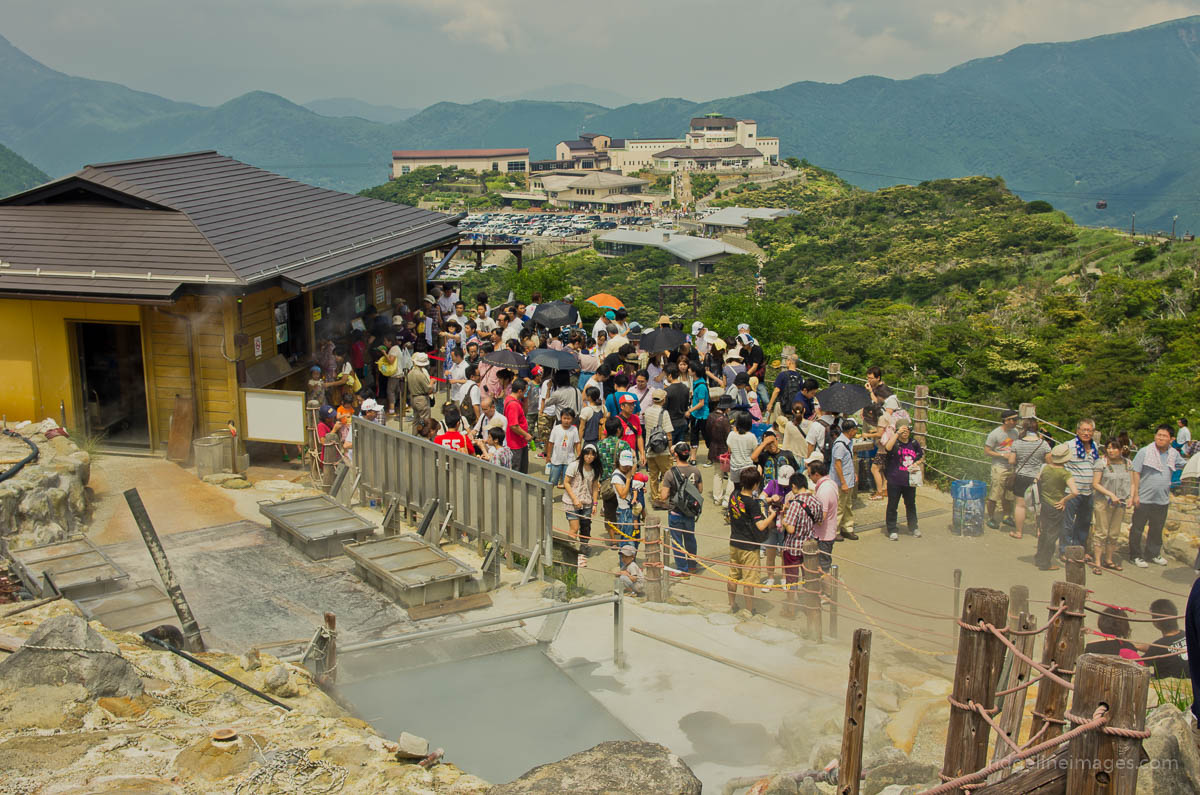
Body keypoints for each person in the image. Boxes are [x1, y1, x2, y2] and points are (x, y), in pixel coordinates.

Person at [1129, 423, 1186, 567]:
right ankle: (1135, 555)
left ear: (1171, 439)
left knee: (1157, 528)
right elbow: (1135, 471)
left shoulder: (1173, 454)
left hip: (1162, 499)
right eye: (1158, 435)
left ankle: (1152, 553)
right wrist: (1135, 494)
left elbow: (1182, 465)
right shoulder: (1145, 451)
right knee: (1137, 527)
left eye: (1164, 436)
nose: (1160, 438)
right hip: (1144, 497)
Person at [727, 468, 776, 615]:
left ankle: (732, 604)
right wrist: (772, 516)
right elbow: (760, 526)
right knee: (749, 581)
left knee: (733, 576)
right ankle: (749, 609)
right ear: (755, 484)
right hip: (749, 545)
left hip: (734, 541)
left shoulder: (734, 496)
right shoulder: (752, 503)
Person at [778, 470, 823, 619]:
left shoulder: (795, 504)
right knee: (809, 578)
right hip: (809, 546)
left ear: (794, 486)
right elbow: (819, 520)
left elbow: (790, 529)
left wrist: (784, 520)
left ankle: (791, 610)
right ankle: (810, 607)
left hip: (793, 547)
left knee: (792, 580)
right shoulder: (816, 501)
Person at [661, 441, 703, 577]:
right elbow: (700, 490)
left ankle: (682, 569)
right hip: (690, 512)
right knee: (690, 538)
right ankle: (692, 566)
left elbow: (663, 496)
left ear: (676, 455)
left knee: (677, 542)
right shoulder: (696, 471)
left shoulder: (670, 473)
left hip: (676, 512)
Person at [1007, 418, 1052, 540]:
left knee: (1020, 505)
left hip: (1021, 476)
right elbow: (1049, 461)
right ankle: (1039, 531)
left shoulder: (1017, 443)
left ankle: (1019, 532)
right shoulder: (1043, 444)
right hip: (1037, 478)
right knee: (1038, 505)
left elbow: (1011, 460)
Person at [1091, 438, 1132, 573]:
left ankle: (1109, 559)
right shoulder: (1101, 463)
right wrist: (1110, 494)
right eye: (1109, 447)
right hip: (1103, 502)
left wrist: (1131, 496)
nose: (1111, 450)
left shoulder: (1127, 463)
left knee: (1114, 533)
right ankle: (1097, 562)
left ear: (1121, 449)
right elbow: (1096, 483)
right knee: (1101, 531)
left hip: (1120, 502)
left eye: (1114, 448)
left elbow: (1131, 482)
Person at [1034, 443, 1076, 571]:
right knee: (1052, 535)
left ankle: (1039, 558)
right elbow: (1075, 492)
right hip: (1056, 506)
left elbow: (1036, 481)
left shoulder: (1045, 468)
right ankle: (1045, 563)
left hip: (1044, 504)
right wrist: (1064, 500)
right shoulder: (1065, 473)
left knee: (1044, 532)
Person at [1062, 418, 1100, 557]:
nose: (1086, 433)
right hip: (1072, 492)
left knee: (1084, 523)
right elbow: (1056, 459)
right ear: (1077, 431)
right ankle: (1064, 550)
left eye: (1089, 430)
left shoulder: (1094, 446)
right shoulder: (1069, 445)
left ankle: (1079, 550)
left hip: (1088, 491)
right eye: (1083, 430)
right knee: (1067, 523)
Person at [882, 416, 924, 540]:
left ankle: (913, 527)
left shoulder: (914, 443)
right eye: (903, 431)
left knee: (911, 504)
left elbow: (921, 457)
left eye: (907, 431)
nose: (905, 433)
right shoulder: (895, 442)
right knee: (892, 505)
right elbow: (887, 448)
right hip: (894, 479)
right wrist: (897, 433)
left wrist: (916, 464)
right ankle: (892, 529)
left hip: (909, 480)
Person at [598, 416, 633, 544]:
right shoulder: (624, 445)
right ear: (619, 430)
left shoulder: (599, 445)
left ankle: (613, 539)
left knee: (609, 512)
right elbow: (629, 465)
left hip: (606, 484)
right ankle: (626, 536)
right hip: (622, 482)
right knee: (625, 509)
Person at [564, 443, 602, 565]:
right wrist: (574, 499)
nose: (589, 457)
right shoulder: (574, 466)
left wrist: (595, 503)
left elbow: (595, 486)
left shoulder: (595, 469)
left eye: (592, 454)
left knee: (586, 528)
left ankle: (582, 551)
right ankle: (571, 552)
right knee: (574, 528)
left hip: (587, 502)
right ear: (583, 454)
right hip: (571, 502)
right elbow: (566, 483)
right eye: (587, 454)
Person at [985, 409, 1020, 529]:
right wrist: (1002, 455)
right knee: (995, 493)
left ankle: (1006, 516)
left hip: (1011, 467)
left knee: (1008, 494)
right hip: (999, 467)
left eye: (1016, 419)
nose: (1016, 422)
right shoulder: (994, 434)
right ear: (1006, 420)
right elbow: (987, 451)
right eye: (1014, 419)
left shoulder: (1015, 432)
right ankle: (990, 517)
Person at [1136, 599, 1188, 679]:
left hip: (1169, 684)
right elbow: (1166, 647)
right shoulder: (1185, 635)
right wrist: (1137, 646)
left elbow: (1138, 667)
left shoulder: (1158, 647)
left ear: (1156, 621)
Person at [806, 452, 839, 575]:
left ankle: (826, 592)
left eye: (810, 475)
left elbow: (821, 518)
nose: (809, 477)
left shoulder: (824, 490)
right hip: (827, 533)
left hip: (823, 537)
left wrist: (807, 512)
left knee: (822, 568)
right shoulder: (830, 484)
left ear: (817, 474)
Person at [642, 389, 675, 508]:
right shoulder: (664, 413)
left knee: (653, 476)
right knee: (666, 474)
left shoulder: (647, 411)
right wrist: (671, 449)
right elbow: (669, 433)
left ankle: (655, 498)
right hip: (663, 449)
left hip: (650, 448)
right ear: (663, 399)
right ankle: (662, 498)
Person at [830, 418, 860, 541]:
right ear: (851, 430)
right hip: (841, 481)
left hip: (849, 478)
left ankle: (847, 528)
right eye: (855, 429)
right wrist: (843, 482)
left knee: (848, 505)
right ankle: (835, 530)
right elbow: (838, 464)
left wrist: (854, 474)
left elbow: (848, 461)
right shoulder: (840, 445)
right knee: (840, 506)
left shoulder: (849, 442)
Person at [723, 412, 759, 513]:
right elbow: (755, 453)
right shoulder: (751, 437)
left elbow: (729, 449)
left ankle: (733, 508)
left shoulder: (731, 435)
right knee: (749, 490)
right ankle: (748, 509)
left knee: (737, 489)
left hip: (735, 467)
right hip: (747, 467)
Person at [707, 395, 733, 503]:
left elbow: (707, 433)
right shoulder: (725, 420)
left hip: (713, 448)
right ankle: (727, 498)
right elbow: (729, 438)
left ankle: (717, 497)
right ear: (726, 407)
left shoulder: (710, 416)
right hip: (725, 450)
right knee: (731, 474)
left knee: (717, 474)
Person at [504, 379, 533, 474]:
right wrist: (526, 435)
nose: (526, 393)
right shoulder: (513, 404)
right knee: (518, 470)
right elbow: (514, 426)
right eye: (525, 391)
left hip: (520, 442)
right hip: (515, 444)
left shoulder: (514, 401)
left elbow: (524, 413)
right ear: (520, 391)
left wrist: (525, 399)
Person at [765, 355, 804, 424]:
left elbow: (777, 390)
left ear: (789, 362)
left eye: (786, 360)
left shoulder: (782, 375)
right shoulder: (800, 377)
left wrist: (770, 403)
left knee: (778, 425)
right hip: (793, 407)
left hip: (781, 404)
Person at [611, 449, 638, 548]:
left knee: (633, 538)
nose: (627, 467)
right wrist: (628, 480)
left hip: (631, 508)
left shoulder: (628, 471)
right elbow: (622, 495)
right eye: (624, 465)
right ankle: (625, 562)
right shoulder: (616, 476)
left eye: (628, 465)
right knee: (627, 539)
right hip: (624, 510)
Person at [548, 409, 580, 487]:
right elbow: (550, 443)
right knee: (552, 480)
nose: (566, 421)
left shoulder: (574, 429)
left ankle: (568, 497)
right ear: (561, 418)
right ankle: (547, 496)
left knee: (568, 481)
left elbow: (577, 443)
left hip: (569, 460)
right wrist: (548, 456)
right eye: (564, 418)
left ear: (572, 419)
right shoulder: (556, 428)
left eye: (568, 419)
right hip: (556, 459)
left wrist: (579, 455)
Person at [686, 361, 710, 455]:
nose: (688, 370)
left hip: (702, 416)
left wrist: (690, 410)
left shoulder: (701, 386)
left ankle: (711, 455)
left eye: (690, 368)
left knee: (706, 436)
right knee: (694, 436)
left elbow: (701, 403)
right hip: (696, 415)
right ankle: (693, 457)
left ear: (694, 372)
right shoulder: (696, 382)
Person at [664, 364, 692, 445]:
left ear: (669, 376)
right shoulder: (685, 388)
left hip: (671, 423)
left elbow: (665, 408)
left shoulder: (667, 391)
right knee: (680, 448)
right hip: (682, 422)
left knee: (671, 449)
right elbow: (687, 404)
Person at [406, 351, 435, 430]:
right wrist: (432, 382)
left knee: (416, 420)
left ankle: (414, 436)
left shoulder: (410, 372)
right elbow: (428, 389)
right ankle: (424, 438)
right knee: (425, 421)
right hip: (421, 399)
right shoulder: (420, 374)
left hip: (413, 397)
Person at [614, 394, 644, 467]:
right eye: (629, 405)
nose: (632, 407)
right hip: (620, 454)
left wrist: (642, 454)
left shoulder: (636, 418)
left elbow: (639, 437)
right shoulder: (616, 420)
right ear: (622, 406)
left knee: (632, 476)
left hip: (632, 454)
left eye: (633, 404)